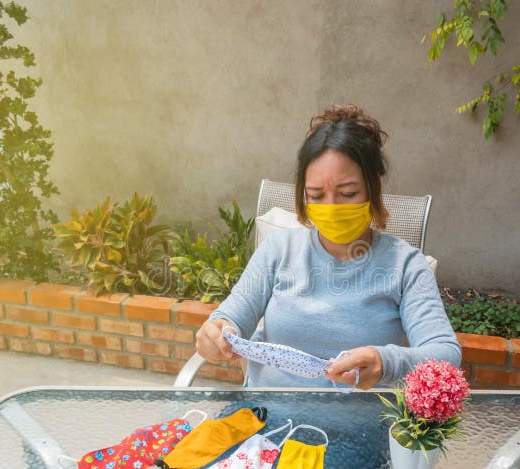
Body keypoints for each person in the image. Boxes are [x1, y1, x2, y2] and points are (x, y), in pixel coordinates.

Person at [196, 104, 461, 389]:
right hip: (267, 423)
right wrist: (217, 331)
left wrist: (385, 362)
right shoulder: (278, 250)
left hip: (363, 431)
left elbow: (445, 356)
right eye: (316, 195)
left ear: (373, 190)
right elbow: (232, 316)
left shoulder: (405, 266)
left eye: (347, 193)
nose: (331, 207)